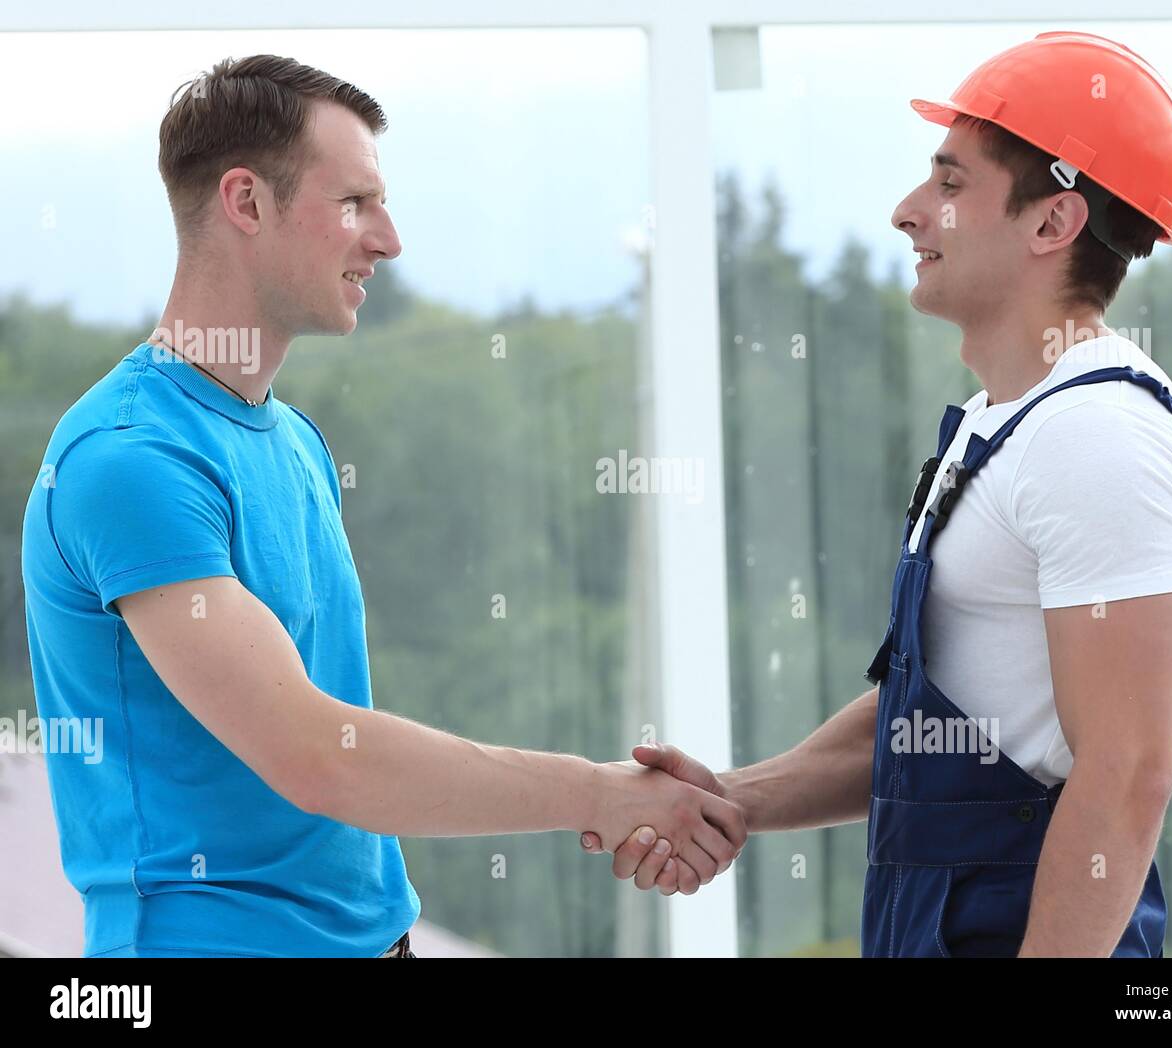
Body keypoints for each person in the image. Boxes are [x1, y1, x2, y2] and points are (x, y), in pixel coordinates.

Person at [20, 55, 744, 959]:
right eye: (355, 202)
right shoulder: (129, 462)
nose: (389, 239)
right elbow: (316, 755)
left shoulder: (292, 443)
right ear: (246, 203)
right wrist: (597, 794)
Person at [585, 31, 1172, 957]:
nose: (907, 212)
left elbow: (1126, 778)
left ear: (1053, 222)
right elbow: (935, 723)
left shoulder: (1102, 441)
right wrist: (730, 801)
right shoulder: (1000, 423)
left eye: (952, 185)